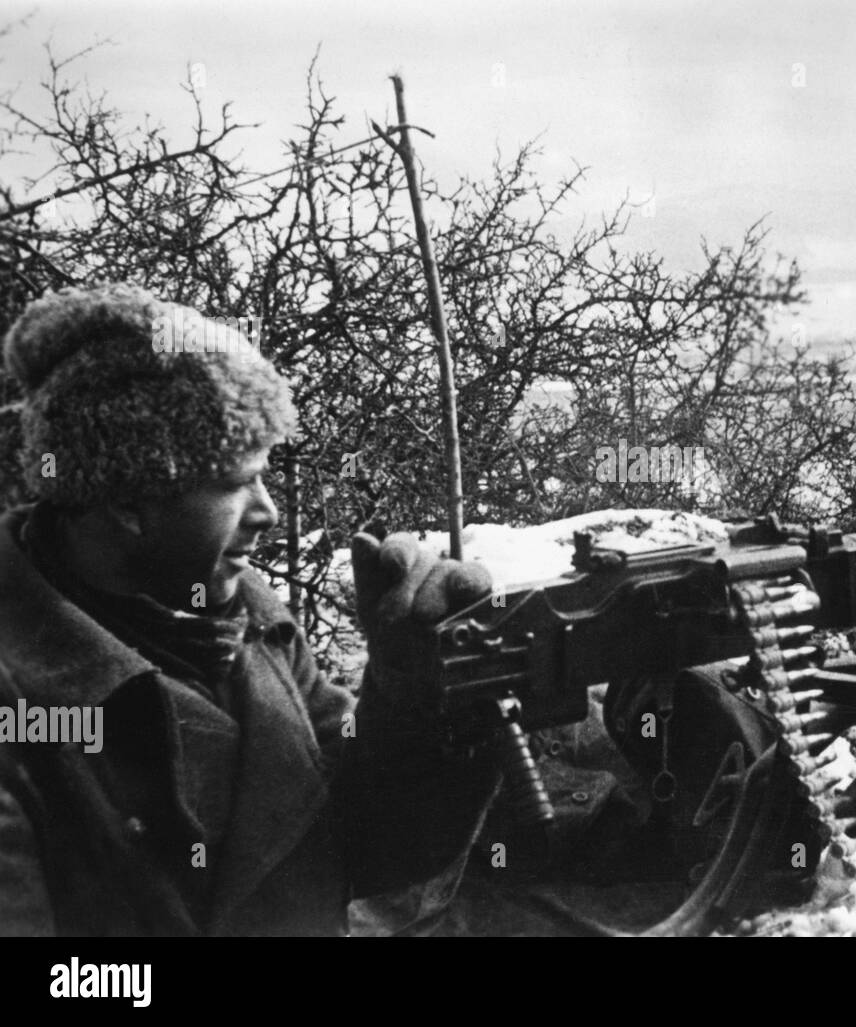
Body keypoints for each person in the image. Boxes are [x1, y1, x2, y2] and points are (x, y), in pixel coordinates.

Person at [0, 283, 499, 936]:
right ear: (129, 498)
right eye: (237, 483)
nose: (268, 513)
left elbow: (366, 847)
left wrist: (412, 690)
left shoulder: (253, 626)